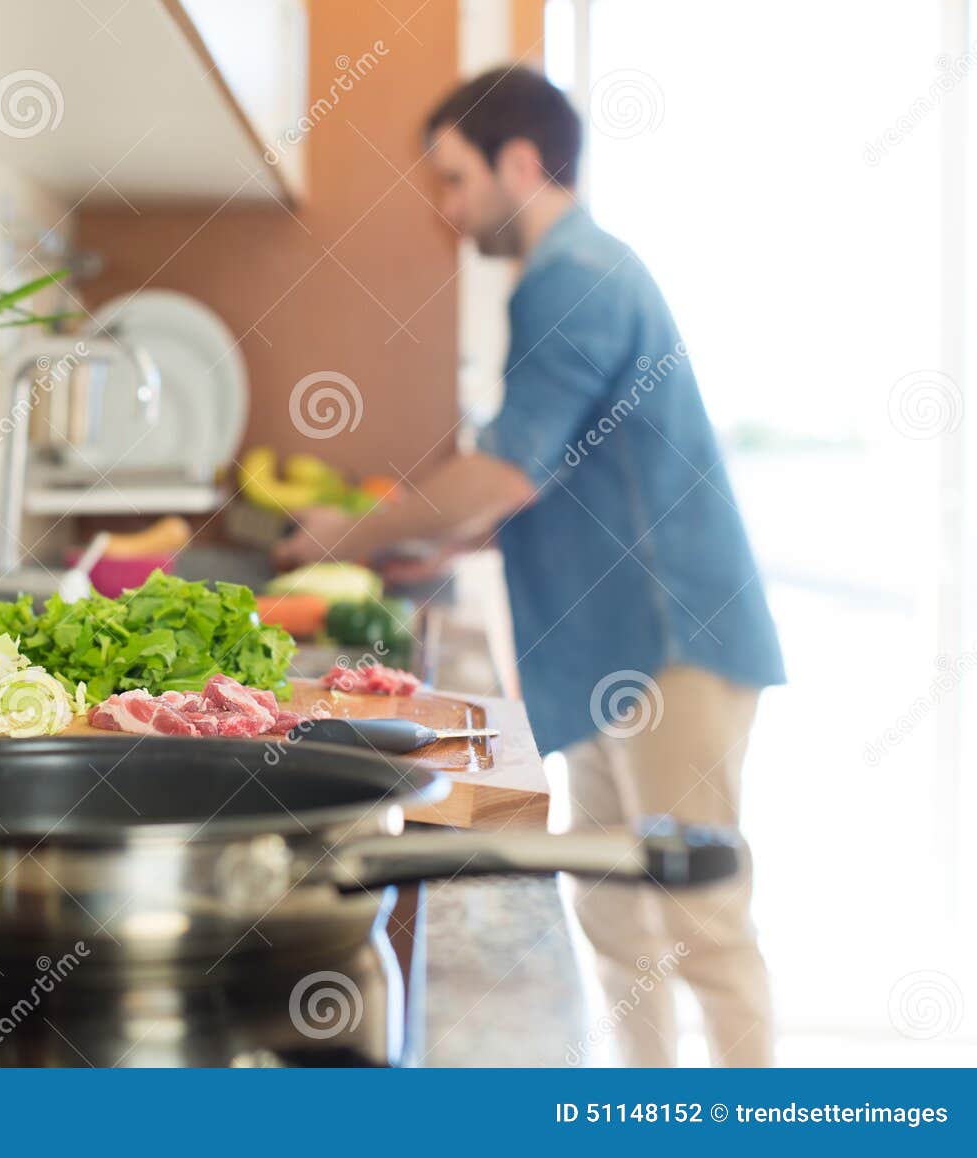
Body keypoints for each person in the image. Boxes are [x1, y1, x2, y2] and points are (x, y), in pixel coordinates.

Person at [276, 67, 786, 1067]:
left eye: (454, 179)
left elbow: (504, 472)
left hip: (665, 634)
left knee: (699, 913)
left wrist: (342, 541)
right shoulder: (567, 274)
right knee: (615, 898)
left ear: (521, 163)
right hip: (620, 642)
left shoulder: (572, 276)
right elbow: (541, 476)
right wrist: (431, 532)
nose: (447, 207)